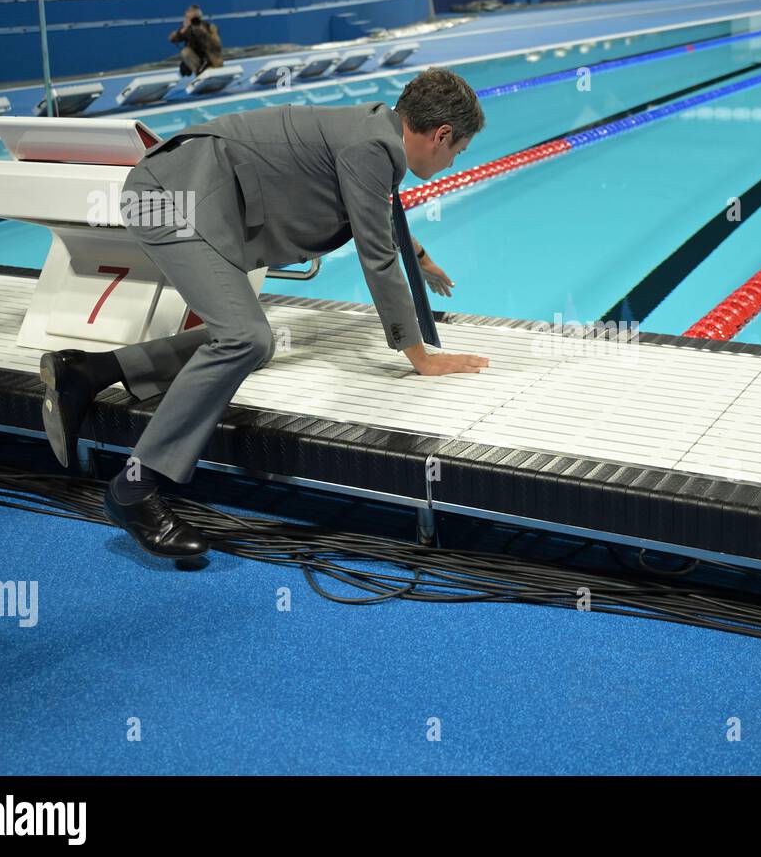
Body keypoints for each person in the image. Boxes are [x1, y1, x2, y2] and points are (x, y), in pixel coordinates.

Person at [39, 67, 489, 561]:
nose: (452, 162)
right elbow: (375, 254)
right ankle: (133, 488)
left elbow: (374, 215)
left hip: (185, 196)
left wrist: (421, 261)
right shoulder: (371, 146)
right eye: (458, 152)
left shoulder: (373, 132)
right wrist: (419, 356)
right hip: (169, 199)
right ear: (441, 135)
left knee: (254, 338)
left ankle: (89, 370)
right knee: (246, 338)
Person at [169, 5, 224, 77]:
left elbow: (217, 45)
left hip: (211, 59)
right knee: (185, 51)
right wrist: (182, 30)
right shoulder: (187, 30)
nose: (189, 21)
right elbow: (172, 39)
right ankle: (200, 74)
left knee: (213, 54)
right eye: (187, 18)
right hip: (199, 60)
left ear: (200, 18)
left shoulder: (210, 27)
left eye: (192, 19)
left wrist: (202, 30)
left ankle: (210, 68)